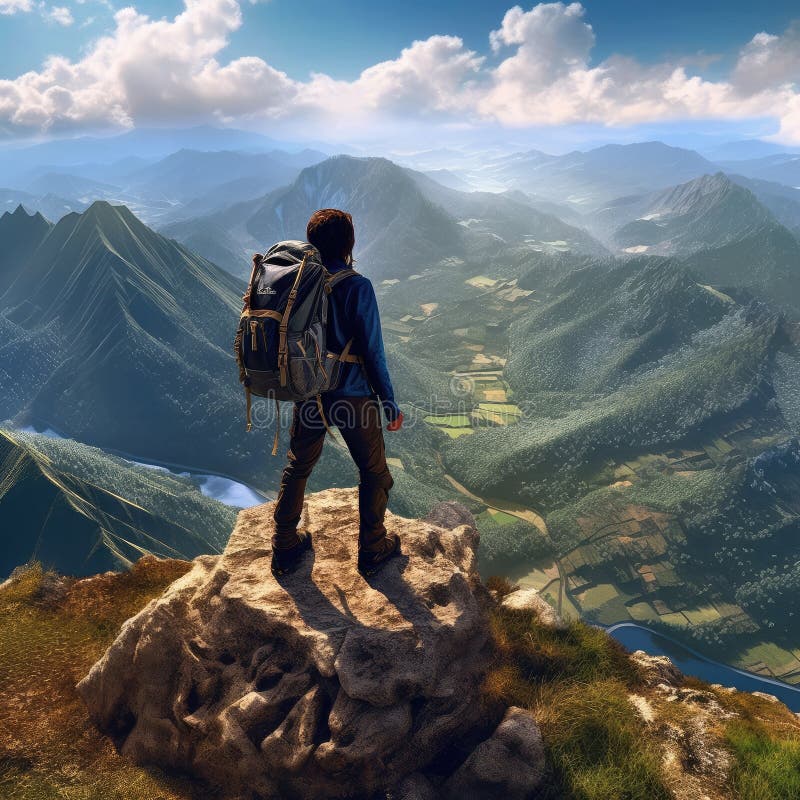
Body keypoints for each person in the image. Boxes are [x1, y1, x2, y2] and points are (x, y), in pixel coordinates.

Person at [270, 208, 404, 578]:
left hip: (309, 392)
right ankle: (373, 547)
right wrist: (389, 403)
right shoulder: (357, 286)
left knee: (298, 466)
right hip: (351, 396)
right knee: (375, 473)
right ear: (349, 242)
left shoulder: (297, 283)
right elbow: (373, 350)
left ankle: (283, 545)